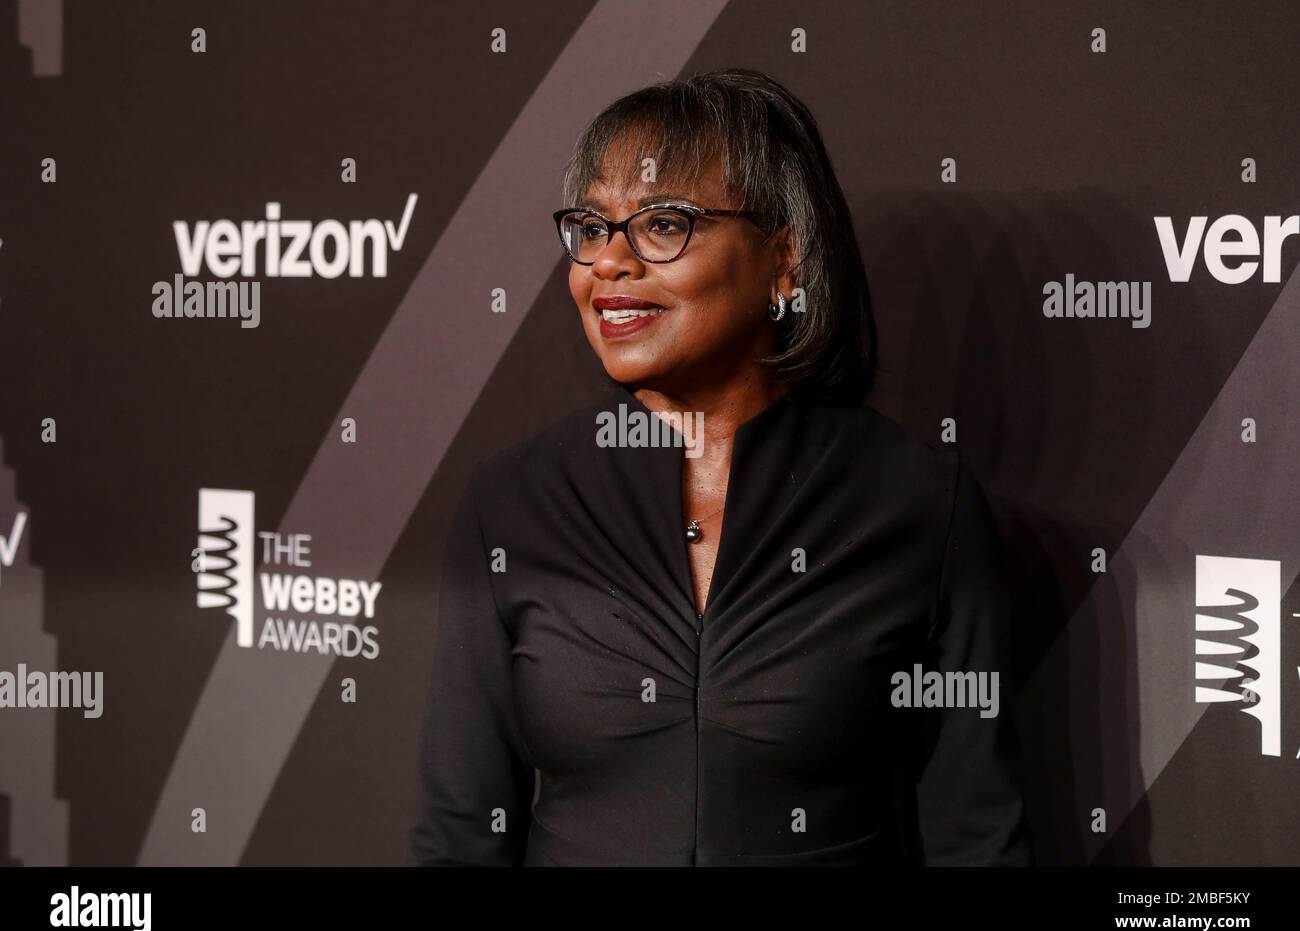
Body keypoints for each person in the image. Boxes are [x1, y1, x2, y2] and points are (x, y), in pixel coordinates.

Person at [411, 67, 1031, 866]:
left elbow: (976, 836)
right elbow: (461, 833)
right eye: (592, 225)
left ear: (784, 259)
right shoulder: (512, 501)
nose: (609, 263)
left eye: (663, 224)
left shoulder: (919, 504)